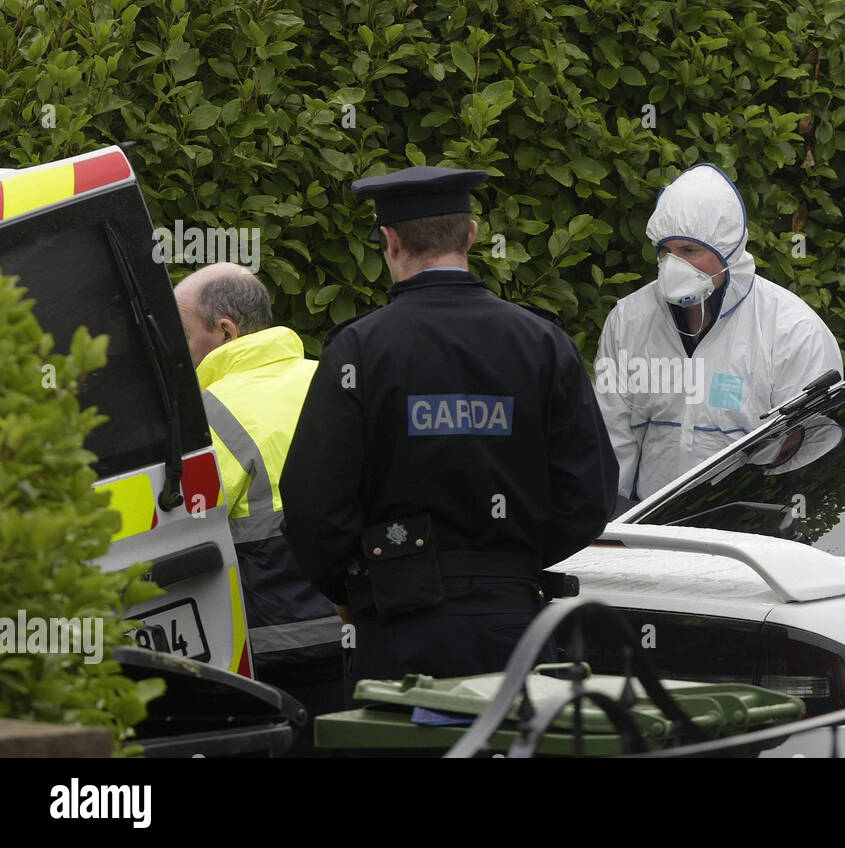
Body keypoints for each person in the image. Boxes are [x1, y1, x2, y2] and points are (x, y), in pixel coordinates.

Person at [280, 166, 617, 686]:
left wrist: (355, 585)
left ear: (390, 241)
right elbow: (589, 494)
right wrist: (511, 564)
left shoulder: (359, 350)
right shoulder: (543, 344)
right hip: (514, 620)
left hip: (396, 624)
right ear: (472, 235)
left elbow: (312, 502)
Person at [595, 163, 843, 506]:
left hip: (751, 523)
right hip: (648, 524)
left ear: (728, 251)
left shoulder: (792, 329)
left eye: (689, 251)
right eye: (665, 250)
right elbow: (611, 435)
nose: (673, 265)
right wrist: (612, 516)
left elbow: (812, 449)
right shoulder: (629, 320)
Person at [173, 263, 344, 751]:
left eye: (184, 335)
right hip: (362, 631)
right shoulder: (333, 380)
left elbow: (183, 527)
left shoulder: (208, 413)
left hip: (277, 650)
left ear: (226, 330)